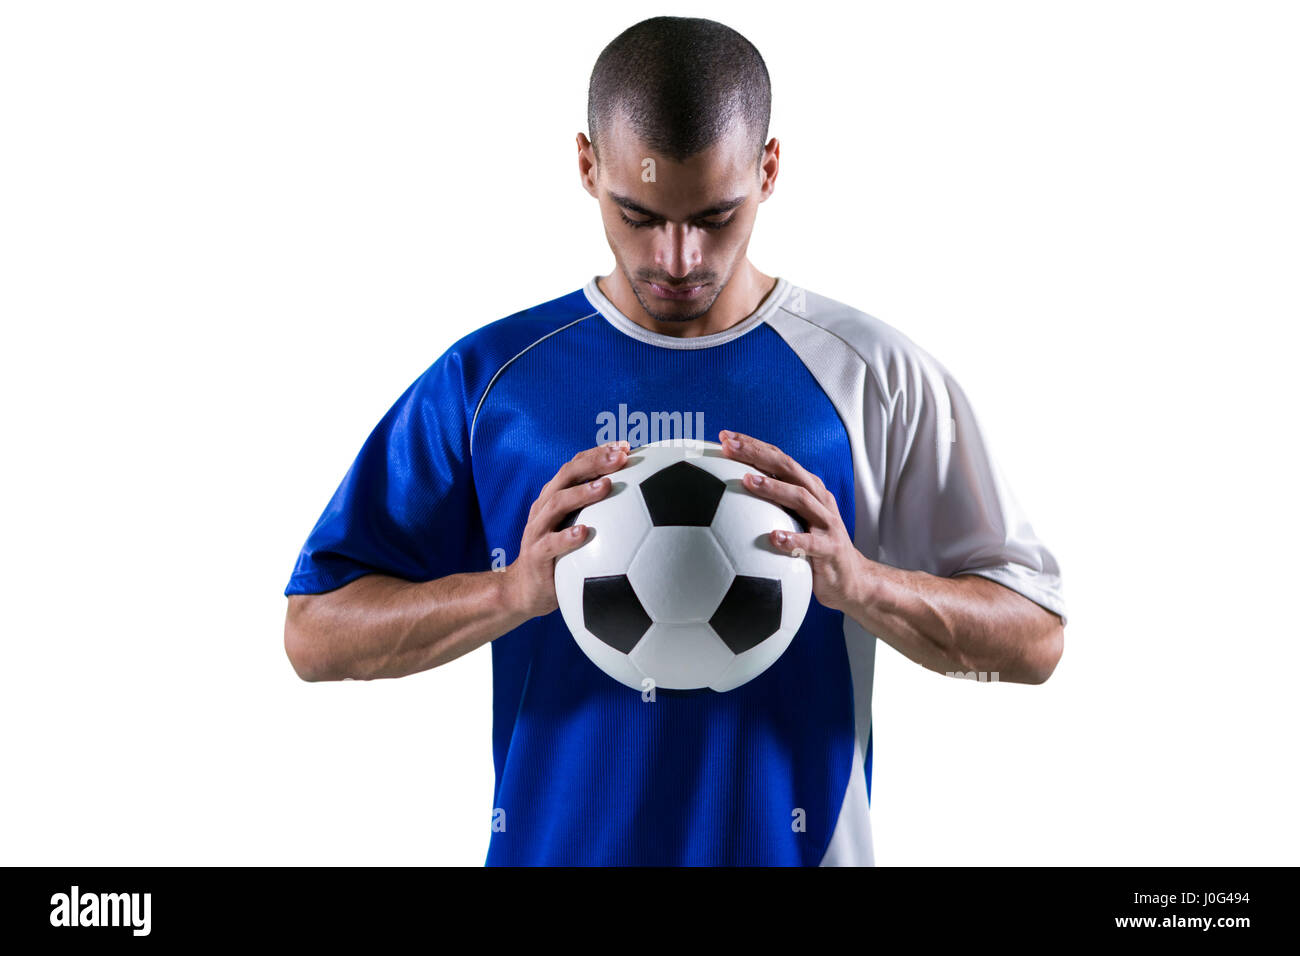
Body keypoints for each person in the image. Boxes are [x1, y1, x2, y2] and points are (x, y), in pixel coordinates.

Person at [282, 15, 1067, 866]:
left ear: (769, 170)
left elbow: (1034, 637)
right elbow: (315, 633)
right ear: (587, 166)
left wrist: (864, 585)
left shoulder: (869, 376)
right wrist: (506, 596)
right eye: (639, 213)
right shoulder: (494, 381)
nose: (679, 256)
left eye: (716, 216)